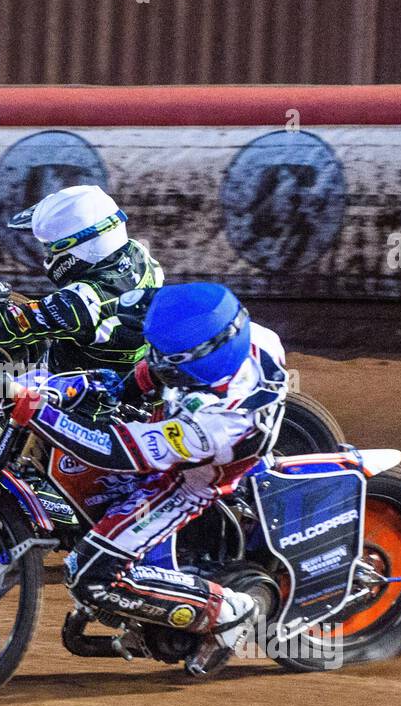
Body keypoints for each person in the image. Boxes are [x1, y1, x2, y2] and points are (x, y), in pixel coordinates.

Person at [31, 282, 288, 676]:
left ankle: (231, 611)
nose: (158, 361)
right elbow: (156, 366)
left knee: (90, 574)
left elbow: (114, 451)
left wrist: (40, 415)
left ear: (201, 359)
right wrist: (114, 385)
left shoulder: (216, 421)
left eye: (171, 360)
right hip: (203, 434)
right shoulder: (253, 339)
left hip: (192, 479)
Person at [0, 185, 162, 373]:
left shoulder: (85, 299)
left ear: (75, 246)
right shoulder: (135, 253)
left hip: (81, 402)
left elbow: (4, 327)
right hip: (125, 376)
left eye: (51, 247)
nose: (48, 254)